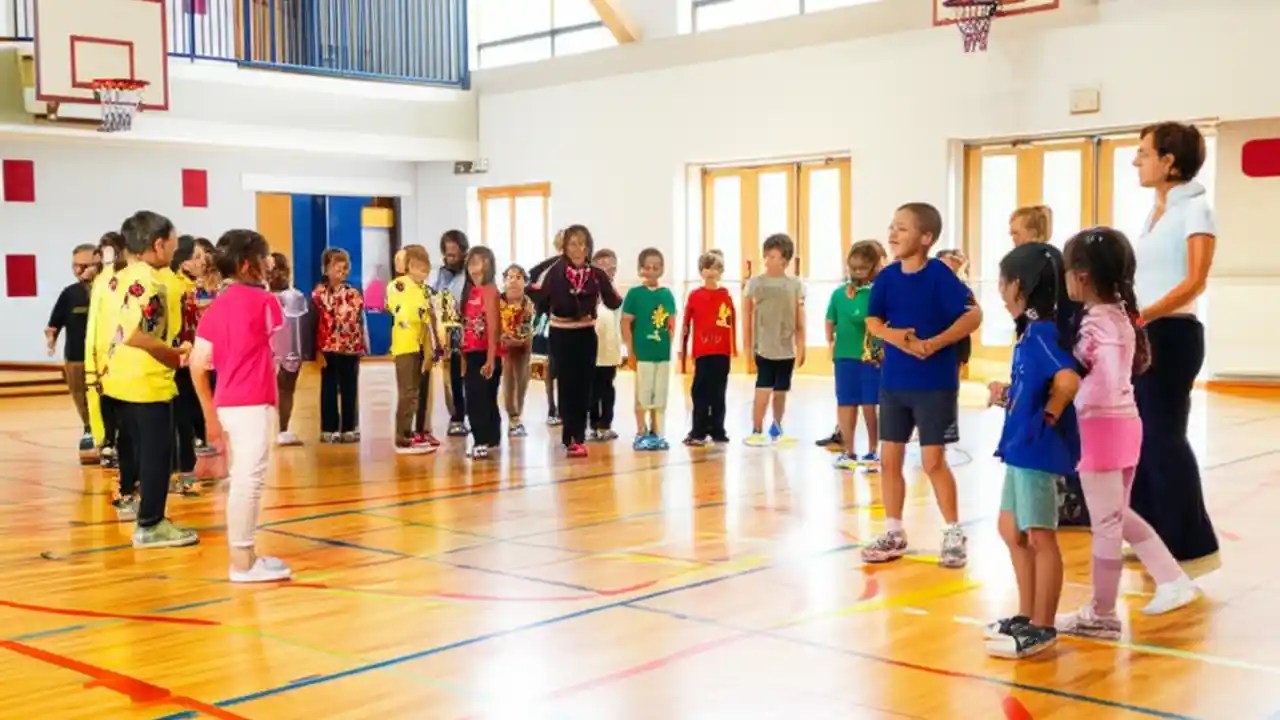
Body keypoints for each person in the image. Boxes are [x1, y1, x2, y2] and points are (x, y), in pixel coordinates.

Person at [1052, 227, 1200, 641]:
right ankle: (1172, 578)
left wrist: (1066, 394)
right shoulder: (1121, 314)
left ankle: (1101, 613)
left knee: (1106, 522)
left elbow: (1100, 378)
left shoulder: (1097, 321)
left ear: (1080, 275)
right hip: (1125, 423)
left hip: (1102, 427)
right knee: (1117, 513)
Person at [862, 203, 982, 569]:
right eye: (892, 227)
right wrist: (891, 336)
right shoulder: (886, 278)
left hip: (935, 385)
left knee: (933, 462)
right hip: (895, 384)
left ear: (926, 238)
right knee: (889, 460)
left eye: (902, 228)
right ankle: (894, 530)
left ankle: (952, 531)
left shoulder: (941, 275)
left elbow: (973, 314)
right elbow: (873, 320)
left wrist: (935, 343)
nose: (893, 234)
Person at [1129, 122, 1220, 567]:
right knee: (1142, 438)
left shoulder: (1196, 209)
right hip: (1147, 332)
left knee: (1164, 438)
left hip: (1174, 335)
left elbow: (1194, 281)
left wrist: (1144, 316)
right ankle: (1152, 538)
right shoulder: (1153, 213)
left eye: (1144, 153)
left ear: (1169, 161)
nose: (1136, 161)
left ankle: (1191, 545)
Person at [983, 243, 1080, 659]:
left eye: (1002, 284)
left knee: (1041, 537)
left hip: (1036, 453)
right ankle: (1027, 614)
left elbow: (1067, 381)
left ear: (1017, 285)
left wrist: (1051, 417)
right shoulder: (1028, 334)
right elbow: (1036, 389)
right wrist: (1007, 395)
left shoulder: (1041, 333)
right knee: (1011, 530)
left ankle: (1043, 626)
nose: (1001, 293)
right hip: (1019, 450)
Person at [190, 230, 291, 582]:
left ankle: (246, 556)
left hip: (228, 404)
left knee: (243, 478)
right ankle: (243, 562)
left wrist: (209, 415)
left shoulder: (216, 307)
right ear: (248, 265)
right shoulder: (266, 302)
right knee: (249, 480)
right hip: (255, 401)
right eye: (265, 259)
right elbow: (282, 350)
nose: (270, 265)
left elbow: (197, 364)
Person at [100, 211, 195, 546]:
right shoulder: (151, 281)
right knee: (157, 454)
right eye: (173, 241)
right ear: (158, 244)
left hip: (120, 379)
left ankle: (142, 509)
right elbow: (135, 333)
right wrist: (172, 355)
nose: (176, 248)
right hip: (147, 380)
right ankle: (152, 524)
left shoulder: (117, 277)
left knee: (137, 449)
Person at [527, 225, 623, 458]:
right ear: (564, 248)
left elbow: (614, 301)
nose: (578, 249)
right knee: (567, 384)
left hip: (586, 334)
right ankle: (569, 436)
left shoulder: (596, 273)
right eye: (573, 244)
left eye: (583, 244)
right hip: (561, 334)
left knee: (584, 385)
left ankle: (578, 436)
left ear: (589, 246)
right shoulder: (554, 270)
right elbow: (535, 289)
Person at [742, 234, 805, 447]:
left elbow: (799, 315)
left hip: (786, 348)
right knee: (763, 389)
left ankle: (777, 426)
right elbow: (748, 314)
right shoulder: (756, 283)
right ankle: (756, 429)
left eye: (773, 256)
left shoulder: (794, 285)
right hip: (764, 347)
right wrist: (748, 345)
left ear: (785, 260)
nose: (768, 260)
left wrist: (801, 344)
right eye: (766, 256)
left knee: (781, 391)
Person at [827, 240, 883, 471]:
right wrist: (830, 343)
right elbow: (830, 320)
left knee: (870, 405)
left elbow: (880, 323)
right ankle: (848, 451)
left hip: (870, 359)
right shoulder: (839, 294)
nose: (857, 273)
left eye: (862, 269)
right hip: (845, 357)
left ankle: (873, 451)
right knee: (846, 403)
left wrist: (880, 352)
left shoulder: (877, 293)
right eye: (853, 268)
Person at [46, 243, 100, 461]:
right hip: (76, 358)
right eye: (75, 266)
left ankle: (108, 436)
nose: (79, 270)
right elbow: (54, 323)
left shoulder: (107, 290)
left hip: (101, 358)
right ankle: (89, 430)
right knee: (80, 396)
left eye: (84, 265)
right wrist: (52, 339)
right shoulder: (69, 294)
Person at [622, 248, 677, 451]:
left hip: (661, 354)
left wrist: (668, 344)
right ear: (641, 269)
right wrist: (630, 350)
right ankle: (641, 431)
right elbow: (626, 322)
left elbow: (671, 323)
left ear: (662, 269)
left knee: (660, 395)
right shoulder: (635, 294)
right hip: (642, 353)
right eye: (648, 266)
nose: (652, 270)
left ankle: (657, 431)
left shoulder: (667, 294)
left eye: (656, 267)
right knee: (643, 395)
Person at [312, 248, 367, 443]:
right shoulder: (318, 294)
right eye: (336, 268)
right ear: (326, 269)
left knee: (349, 387)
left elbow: (354, 319)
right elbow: (317, 320)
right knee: (328, 387)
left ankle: (349, 426)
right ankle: (329, 427)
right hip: (327, 347)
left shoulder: (353, 293)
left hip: (349, 348)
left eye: (344, 268)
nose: (341, 272)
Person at [387, 244, 437, 454]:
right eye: (417, 266)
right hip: (405, 345)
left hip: (421, 344)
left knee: (416, 391)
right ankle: (403, 437)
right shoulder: (398, 285)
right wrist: (421, 315)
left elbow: (428, 319)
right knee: (407, 392)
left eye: (425, 267)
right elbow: (402, 312)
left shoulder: (423, 290)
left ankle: (414, 432)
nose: (422, 272)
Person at [682, 249, 735, 446]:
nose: (711, 272)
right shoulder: (694, 295)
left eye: (715, 268)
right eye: (707, 267)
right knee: (700, 391)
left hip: (721, 351)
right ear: (701, 271)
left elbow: (730, 322)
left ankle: (718, 429)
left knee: (719, 391)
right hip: (702, 351)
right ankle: (698, 430)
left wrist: (733, 348)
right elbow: (687, 323)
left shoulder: (725, 295)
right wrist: (684, 351)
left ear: (721, 271)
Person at [85, 231, 128, 470]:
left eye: (110, 249)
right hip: (101, 348)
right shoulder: (100, 280)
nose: (107, 255)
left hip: (123, 345)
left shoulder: (128, 277)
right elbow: (94, 319)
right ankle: (108, 440)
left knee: (122, 398)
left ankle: (122, 440)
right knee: (104, 397)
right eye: (103, 251)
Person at [459, 247, 503, 459]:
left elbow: (494, 326)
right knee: (478, 397)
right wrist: (464, 358)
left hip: (487, 353)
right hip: (472, 352)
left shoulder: (490, 291)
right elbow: (465, 326)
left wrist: (491, 358)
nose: (475, 269)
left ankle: (482, 441)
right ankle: (491, 439)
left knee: (481, 398)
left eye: (480, 264)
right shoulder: (469, 293)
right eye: (471, 264)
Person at [433, 230, 470, 437]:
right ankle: (456, 417)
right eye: (448, 255)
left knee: (468, 377)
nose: (450, 259)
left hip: (467, 329)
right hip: (448, 332)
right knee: (451, 377)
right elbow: (437, 296)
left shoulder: (471, 273)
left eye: (454, 255)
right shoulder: (442, 273)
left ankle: (471, 415)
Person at [268, 253, 307, 447]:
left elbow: (304, 325)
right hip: (267, 352)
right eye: (272, 270)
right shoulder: (262, 297)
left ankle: (283, 428)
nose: (277, 274)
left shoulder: (296, 297)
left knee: (286, 390)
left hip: (291, 352)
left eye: (281, 270)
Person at [590, 249, 623, 441]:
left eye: (611, 265)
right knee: (591, 389)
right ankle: (593, 424)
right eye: (601, 264)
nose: (607, 268)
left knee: (607, 387)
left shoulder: (614, 290)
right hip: (592, 348)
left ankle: (605, 424)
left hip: (610, 347)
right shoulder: (589, 288)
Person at [499, 264, 536, 438]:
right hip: (501, 346)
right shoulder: (497, 302)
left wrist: (519, 340)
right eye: (510, 277)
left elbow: (528, 328)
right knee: (507, 378)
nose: (513, 281)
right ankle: (510, 415)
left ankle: (517, 415)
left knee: (521, 378)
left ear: (525, 282)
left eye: (518, 277)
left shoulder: (528, 305)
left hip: (522, 345)